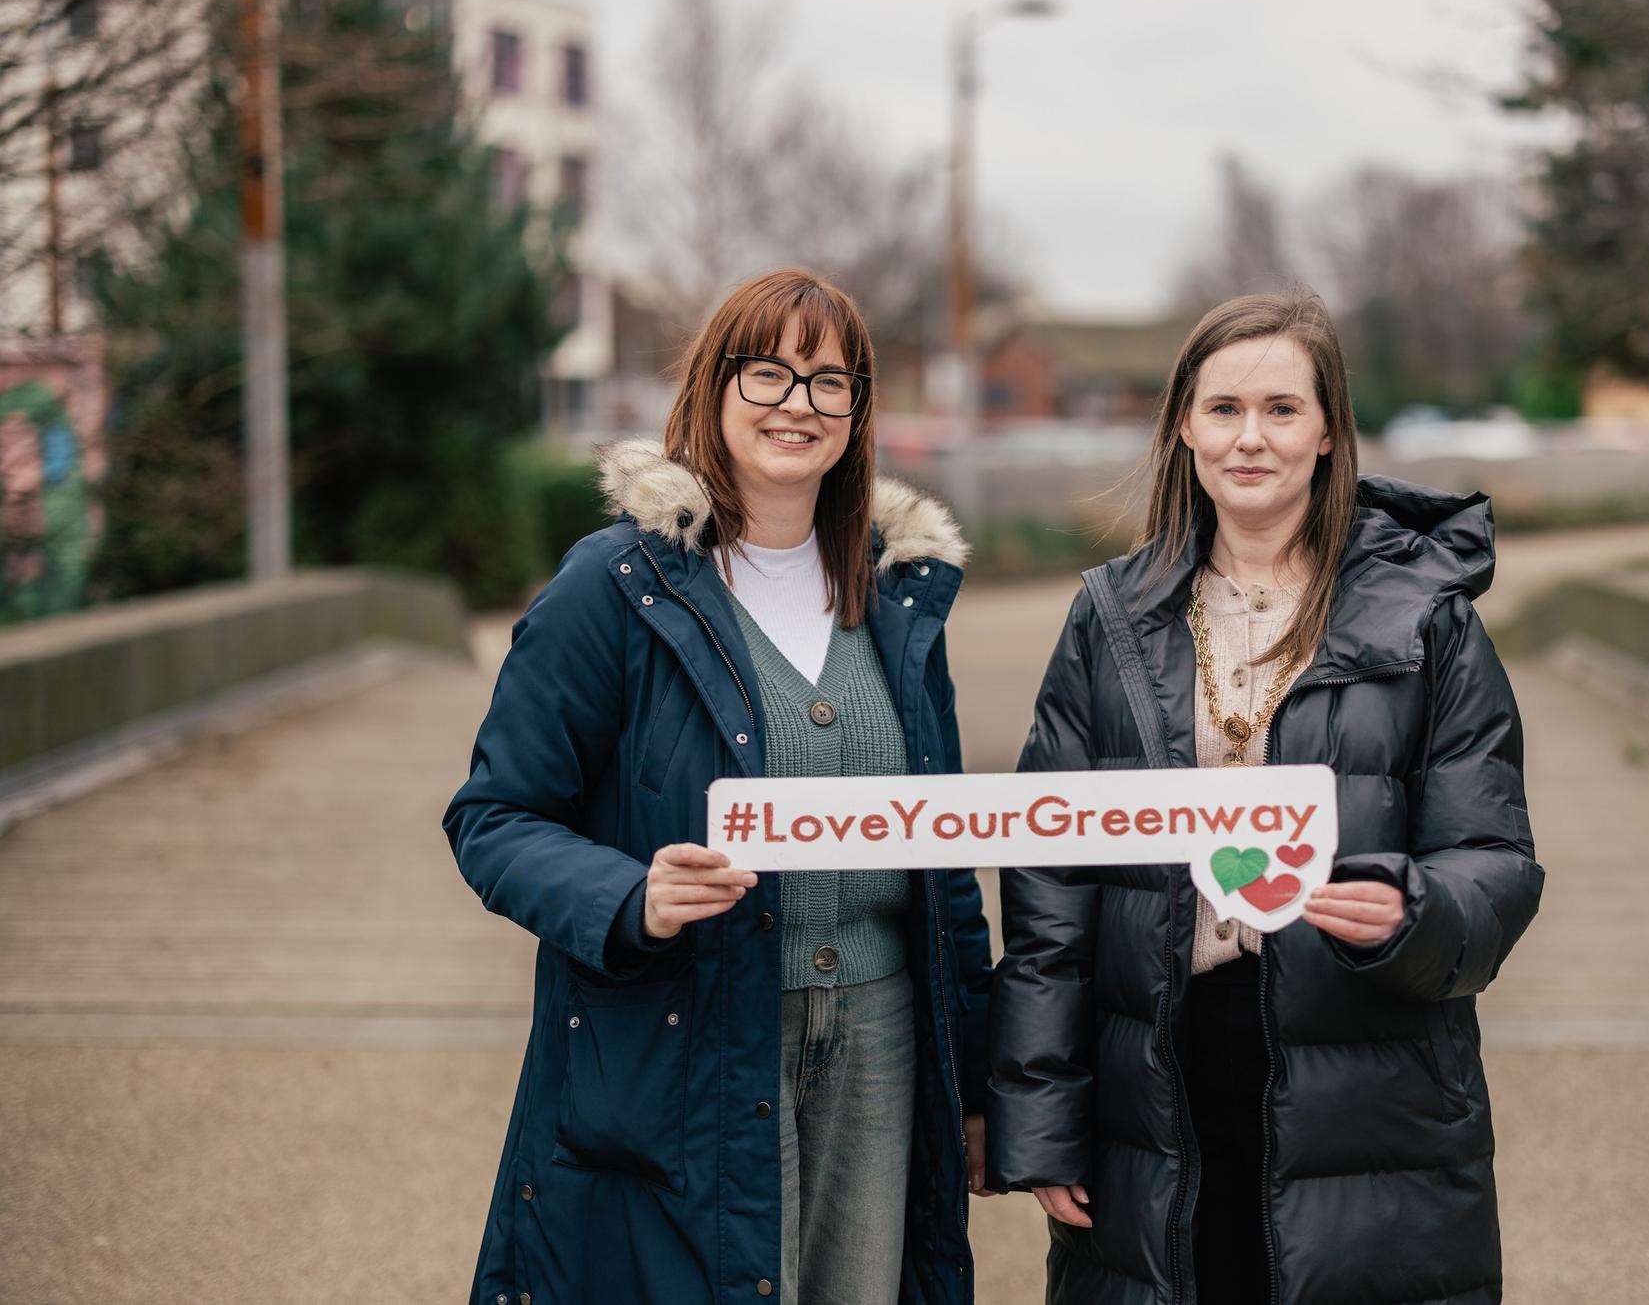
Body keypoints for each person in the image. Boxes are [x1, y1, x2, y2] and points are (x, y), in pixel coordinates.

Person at [444, 268, 992, 1305]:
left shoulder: (900, 602)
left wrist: (974, 1075)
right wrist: (625, 894)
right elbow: (494, 817)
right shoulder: (613, 588)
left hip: (879, 1050)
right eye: (769, 371)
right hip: (690, 1036)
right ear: (713, 386)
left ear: (858, 410)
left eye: (830, 380)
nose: (798, 402)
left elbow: (943, 859)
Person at [986, 289, 1544, 1304]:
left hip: (1368, 1076)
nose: (1251, 437)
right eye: (1223, 409)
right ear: (1184, 428)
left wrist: (1415, 910)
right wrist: (1040, 1119)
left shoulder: (1428, 624)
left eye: (1281, 409)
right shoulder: (1106, 621)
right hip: (1152, 1083)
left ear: (1328, 429)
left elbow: (1493, 856)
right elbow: (1047, 891)